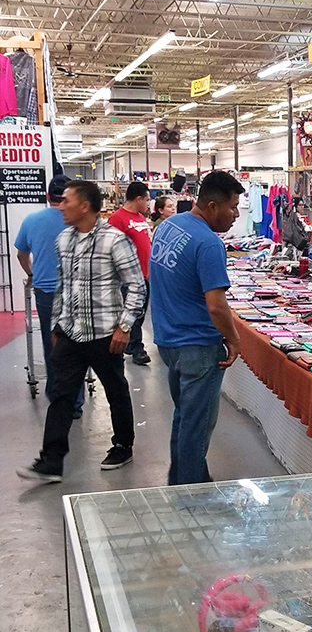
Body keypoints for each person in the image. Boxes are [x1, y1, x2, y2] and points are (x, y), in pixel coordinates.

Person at [17, 180, 146, 484]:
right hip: (70, 333)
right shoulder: (63, 240)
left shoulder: (115, 241)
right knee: (61, 394)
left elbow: (136, 286)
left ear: (85, 206)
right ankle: (51, 461)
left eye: (66, 201)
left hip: (105, 334)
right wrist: (56, 325)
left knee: (116, 391)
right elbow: (64, 286)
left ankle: (123, 445)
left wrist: (124, 327)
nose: (60, 206)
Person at [149, 170, 244, 486]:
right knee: (197, 426)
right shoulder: (208, 243)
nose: (236, 214)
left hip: (169, 341)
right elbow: (216, 305)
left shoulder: (168, 227)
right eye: (233, 207)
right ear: (214, 206)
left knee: (184, 417)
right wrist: (233, 339)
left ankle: (186, 479)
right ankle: (190, 496)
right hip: (198, 346)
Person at [14, 177, 84, 418]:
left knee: (52, 344)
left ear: (47, 196)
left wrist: (32, 273)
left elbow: (21, 255)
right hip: (76, 290)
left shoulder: (32, 221)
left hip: (45, 291)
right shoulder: (79, 220)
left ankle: (58, 399)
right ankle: (75, 402)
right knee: (77, 344)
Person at [108, 180, 152, 365]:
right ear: (138, 199)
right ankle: (137, 348)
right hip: (128, 277)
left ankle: (131, 344)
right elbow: (110, 247)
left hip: (145, 274)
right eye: (147, 199)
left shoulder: (141, 218)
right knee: (133, 311)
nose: (149, 203)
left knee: (140, 313)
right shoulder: (117, 219)